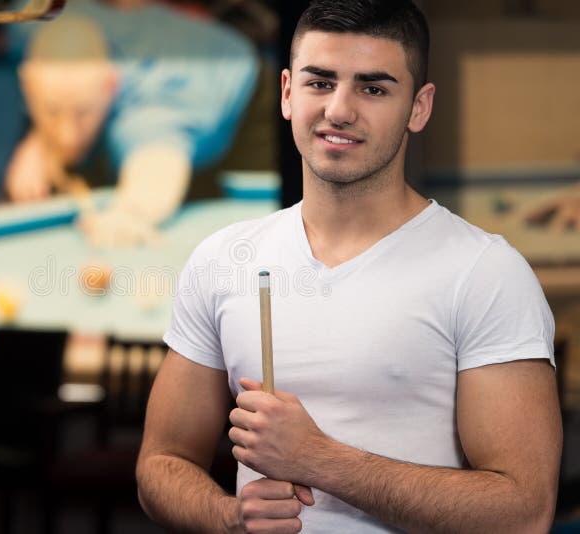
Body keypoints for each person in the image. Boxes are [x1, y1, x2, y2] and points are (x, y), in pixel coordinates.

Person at [136, 1, 562, 532]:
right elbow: (161, 464)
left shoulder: (486, 272)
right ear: (288, 92)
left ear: (419, 107)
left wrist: (316, 458)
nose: (339, 109)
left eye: (373, 88)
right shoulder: (222, 259)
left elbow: (524, 512)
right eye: (320, 82)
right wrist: (229, 518)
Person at [4, 0, 258, 247]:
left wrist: (132, 213)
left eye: (82, 113)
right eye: (53, 110)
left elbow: (158, 158)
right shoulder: (28, 19)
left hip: (245, 88)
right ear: (26, 83)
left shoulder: (151, 107)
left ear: (110, 86)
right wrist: (39, 137)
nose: (67, 135)